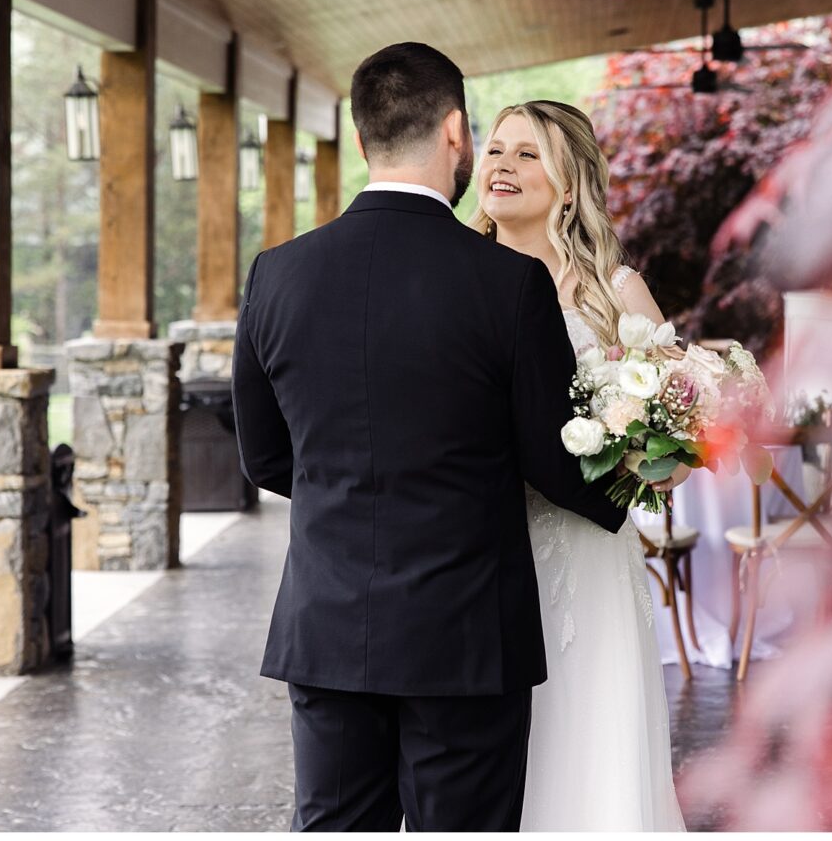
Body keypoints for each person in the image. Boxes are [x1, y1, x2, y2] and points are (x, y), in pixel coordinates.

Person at [231, 42, 626, 833]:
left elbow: (267, 457)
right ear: (455, 133)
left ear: (365, 134)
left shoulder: (276, 273)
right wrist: (634, 484)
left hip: (329, 627)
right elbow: (552, 459)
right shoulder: (509, 284)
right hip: (466, 638)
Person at [475, 99, 687, 832]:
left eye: (527, 154)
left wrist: (639, 457)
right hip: (482, 551)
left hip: (589, 559)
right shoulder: (456, 278)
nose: (501, 165)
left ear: (570, 186)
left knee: (591, 746)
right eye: (495, 149)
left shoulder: (614, 293)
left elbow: (680, 435)